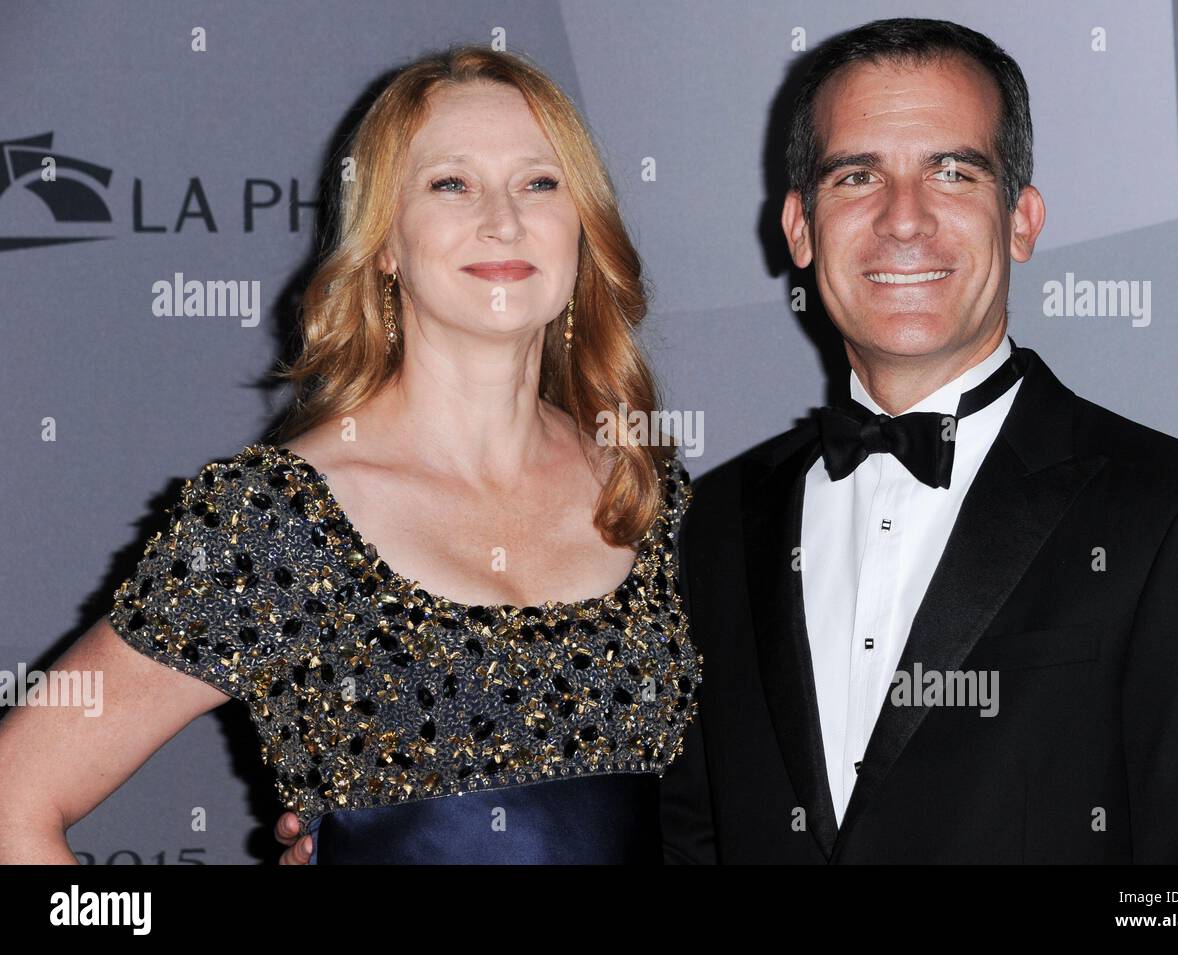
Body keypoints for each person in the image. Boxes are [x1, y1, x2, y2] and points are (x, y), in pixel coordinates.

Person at [0, 45, 701, 864]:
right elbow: (15, 802)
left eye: (540, 182)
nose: (503, 218)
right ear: (385, 243)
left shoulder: (647, 491)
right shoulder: (275, 518)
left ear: (583, 224)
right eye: (451, 184)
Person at [657, 18, 1178, 863]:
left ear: (1023, 220)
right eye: (857, 176)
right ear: (801, 229)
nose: (904, 219)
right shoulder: (715, 523)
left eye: (953, 171)